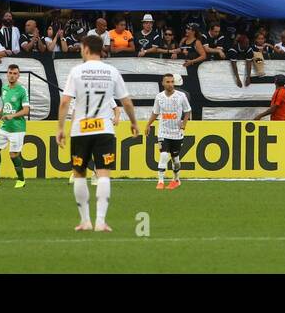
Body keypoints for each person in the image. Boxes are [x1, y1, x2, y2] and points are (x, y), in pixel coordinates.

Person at [55, 33, 138, 232]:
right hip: (105, 130)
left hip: (80, 130)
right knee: (103, 175)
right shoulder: (112, 71)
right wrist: (134, 122)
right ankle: (100, 222)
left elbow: (65, 102)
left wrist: (60, 128)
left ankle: (85, 221)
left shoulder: (77, 71)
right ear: (101, 49)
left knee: (80, 174)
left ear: (85, 48)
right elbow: (126, 101)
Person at [0, 64, 30, 189]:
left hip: (17, 128)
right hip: (5, 127)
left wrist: (13, 115)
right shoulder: (4, 88)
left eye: (15, 73)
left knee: (14, 155)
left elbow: (26, 110)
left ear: (18, 75)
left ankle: (21, 180)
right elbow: (4, 108)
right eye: (10, 73)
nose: (12, 75)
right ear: (7, 74)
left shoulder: (22, 90)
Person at [146, 73, 191, 190]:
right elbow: (155, 112)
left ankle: (176, 179)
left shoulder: (181, 96)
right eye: (168, 82)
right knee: (164, 155)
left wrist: (184, 124)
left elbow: (188, 110)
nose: (170, 84)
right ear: (163, 83)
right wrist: (148, 124)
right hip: (163, 132)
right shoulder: (159, 97)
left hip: (176, 132)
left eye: (172, 82)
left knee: (175, 159)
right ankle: (160, 181)